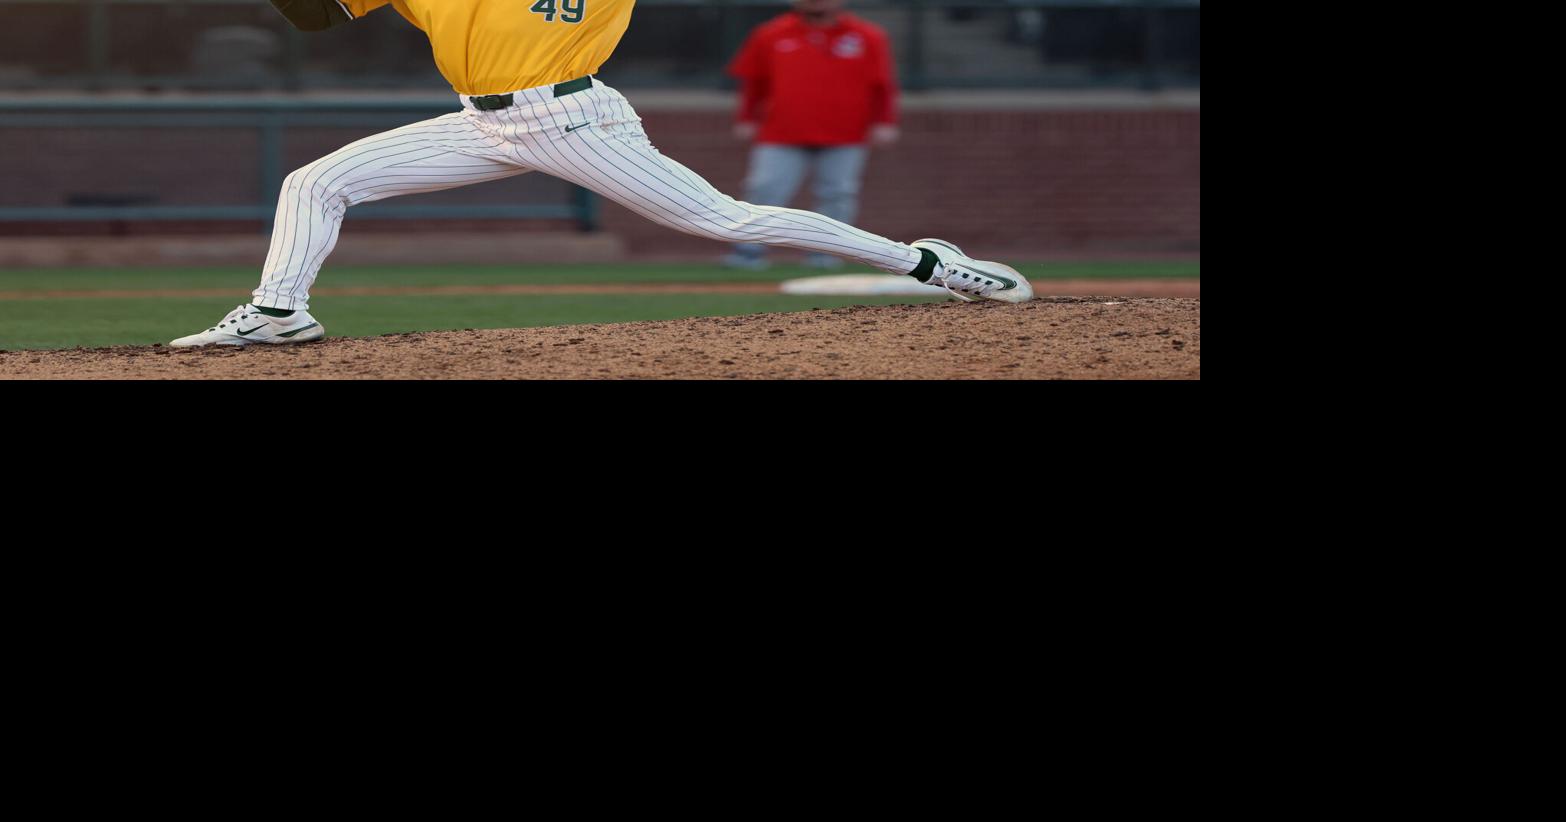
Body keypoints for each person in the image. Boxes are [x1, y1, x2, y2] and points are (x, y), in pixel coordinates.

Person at [171, 0, 1031, 348]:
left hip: (574, 118)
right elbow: (315, 16)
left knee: (726, 220)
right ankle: (279, 313)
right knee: (315, 181)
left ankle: (929, 263)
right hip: (482, 121)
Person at [723, 0, 898, 272]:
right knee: (764, 189)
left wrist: (885, 121)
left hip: (845, 133)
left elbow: (883, 85)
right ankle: (748, 252)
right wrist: (746, 117)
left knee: (838, 193)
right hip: (781, 131)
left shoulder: (868, 36)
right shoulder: (770, 33)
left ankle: (826, 254)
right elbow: (754, 81)